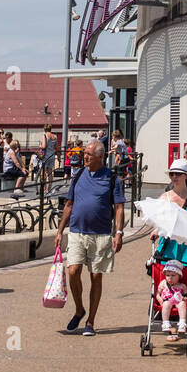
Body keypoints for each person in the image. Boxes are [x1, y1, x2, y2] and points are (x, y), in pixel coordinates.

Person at [54, 140, 124, 337]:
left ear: (100, 157)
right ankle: (79, 309)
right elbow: (69, 204)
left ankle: (90, 321)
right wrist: (60, 231)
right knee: (73, 271)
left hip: (101, 234)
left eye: (89, 154)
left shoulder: (111, 178)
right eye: (85, 153)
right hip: (77, 231)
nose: (84, 157)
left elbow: (119, 208)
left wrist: (118, 233)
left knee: (95, 276)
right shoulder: (77, 176)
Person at [150, 160, 187, 343]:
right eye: (171, 174)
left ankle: (180, 320)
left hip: (185, 247)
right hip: (167, 246)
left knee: (182, 282)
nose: (174, 177)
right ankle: (170, 327)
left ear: (186, 176)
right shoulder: (165, 197)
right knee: (166, 283)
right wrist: (156, 230)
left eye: (177, 174)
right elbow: (158, 221)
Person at [155, 260, 187, 339]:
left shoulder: (182, 286)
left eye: (173, 275)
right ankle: (166, 323)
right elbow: (157, 293)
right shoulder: (163, 283)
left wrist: (184, 299)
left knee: (182, 304)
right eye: (168, 275)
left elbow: (186, 295)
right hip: (167, 301)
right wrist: (159, 299)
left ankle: (182, 323)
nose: (170, 277)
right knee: (166, 304)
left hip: (178, 302)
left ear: (179, 276)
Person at [2, 132, 27, 196]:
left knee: (26, 173)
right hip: (8, 169)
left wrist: (24, 168)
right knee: (22, 174)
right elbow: (16, 163)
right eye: (17, 145)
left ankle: (21, 187)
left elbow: (20, 161)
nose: (18, 146)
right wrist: (22, 170)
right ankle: (16, 188)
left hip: (12, 168)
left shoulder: (15, 152)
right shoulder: (11, 152)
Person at [37, 125, 57, 192]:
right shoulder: (55, 136)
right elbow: (56, 147)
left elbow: (44, 146)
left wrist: (40, 146)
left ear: (44, 129)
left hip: (45, 156)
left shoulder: (44, 135)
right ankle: (50, 187)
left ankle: (44, 187)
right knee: (50, 172)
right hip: (52, 155)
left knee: (43, 172)